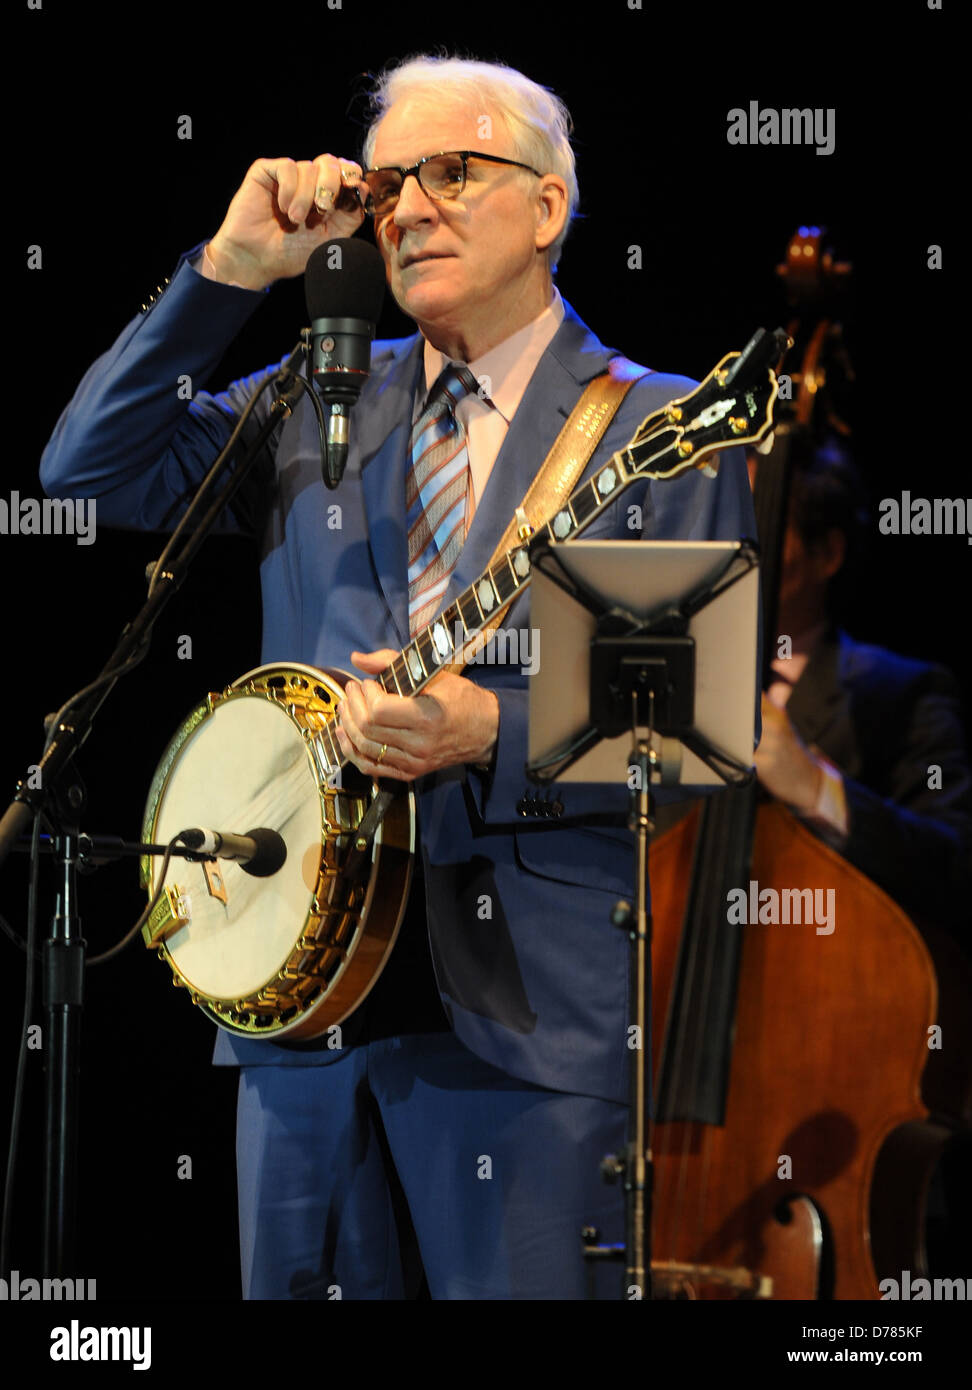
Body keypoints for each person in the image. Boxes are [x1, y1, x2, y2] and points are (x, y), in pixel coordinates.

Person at [40, 54, 756, 1299]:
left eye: (452, 172)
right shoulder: (316, 397)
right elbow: (86, 473)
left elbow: (697, 727)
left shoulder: (652, 429)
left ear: (547, 208)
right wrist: (227, 270)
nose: (409, 208)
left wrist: (491, 723)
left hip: (529, 1027)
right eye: (387, 186)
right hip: (304, 996)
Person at [750, 438, 972, 932]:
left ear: (827, 554)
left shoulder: (907, 694)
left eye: (761, 522)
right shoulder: (667, 686)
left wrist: (817, 789)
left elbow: (955, 870)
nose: (734, 548)